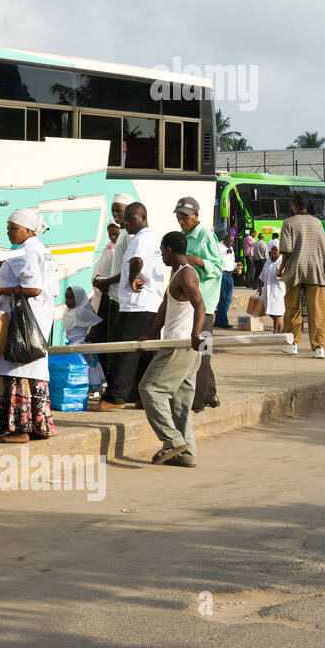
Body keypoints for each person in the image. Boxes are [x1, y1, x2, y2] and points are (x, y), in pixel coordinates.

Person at [137, 231, 207, 467]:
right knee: (180, 404)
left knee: (149, 389)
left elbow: (200, 306)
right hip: (182, 347)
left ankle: (173, 440)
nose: (161, 255)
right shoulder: (177, 273)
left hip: (180, 346)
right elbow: (164, 309)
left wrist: (196, 334)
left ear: (169, 250)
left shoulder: (186, 276)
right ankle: (186, 455)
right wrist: (150, 335)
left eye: (161, 250)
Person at [0, 208, 59, 441]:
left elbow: (33, 288)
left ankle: (20, 429)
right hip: (37, 321)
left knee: (16, 370)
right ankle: (39, 425)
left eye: (13, 228)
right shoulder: (43, 251)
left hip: (21, 323)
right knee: (34, 371)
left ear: (28, 230)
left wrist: (1, 290)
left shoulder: (24, 252)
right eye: (8, 227)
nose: (9, 232)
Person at [97, 202, 166, 411]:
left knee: (124, 352)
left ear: (143, 218)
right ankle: (143, 396)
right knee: (145, 353)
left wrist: (134, 277)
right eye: (125, 219)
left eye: (131, 218)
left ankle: (115, 397)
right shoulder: (152, 237)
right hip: (151, 305)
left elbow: (136, 260)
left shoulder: (140, 239)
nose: (126, 223)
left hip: (137, 305)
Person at [173, 197, 223, 413]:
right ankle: (210, 393)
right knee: (199, 350)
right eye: (179, 216)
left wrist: (198, 261)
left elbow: (218, 268)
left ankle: (197, 400)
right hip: (189, 304)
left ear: (196, 216)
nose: (182, 220)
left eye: (185, 216)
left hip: (205, 305)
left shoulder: (206, 236)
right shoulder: (184, 236)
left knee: (202, 351)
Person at [278, 193, 325, 358]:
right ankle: (319, 347)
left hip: (295, 269)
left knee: (292, 307)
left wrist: (281, 268)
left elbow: (286, 250)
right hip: (315, 269)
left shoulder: (289, 222)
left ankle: (292, 343)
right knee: (317, 310)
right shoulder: (318, 223)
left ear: (294, 206)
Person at [89, 221, 123, 344]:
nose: (113, 237)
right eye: (110, 234)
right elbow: (98, 271)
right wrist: (98, 281)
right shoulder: (108, 249)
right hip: (105, 295)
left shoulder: (122, 249)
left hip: (117, 296)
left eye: (116, 234)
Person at [258, 244, 285, 332]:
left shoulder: (282, 262)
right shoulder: (268, 261)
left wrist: (281, 273)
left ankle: (275, 331)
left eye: (275, 250)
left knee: (276, 312)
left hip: (277, 290)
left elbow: (285, 275)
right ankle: (280, 327)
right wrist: (260, 287)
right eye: (272, 250)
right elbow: (263, 275)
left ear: (280, 251)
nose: (273, 252)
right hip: (267, 289)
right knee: (269, 311)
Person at [215, 239, 237, 329]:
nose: (230, 243)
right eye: (229, 241)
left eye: (232, 242)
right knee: (224, 298)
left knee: (227, 299)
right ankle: (223, 321)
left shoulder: (231, 248)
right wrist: (225, 252)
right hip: (223, 274)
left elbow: (232, 262)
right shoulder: (219, 247)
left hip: (230, 274)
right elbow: (216, 258)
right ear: (225, 240)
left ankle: (218, 320)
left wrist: (237, 266)